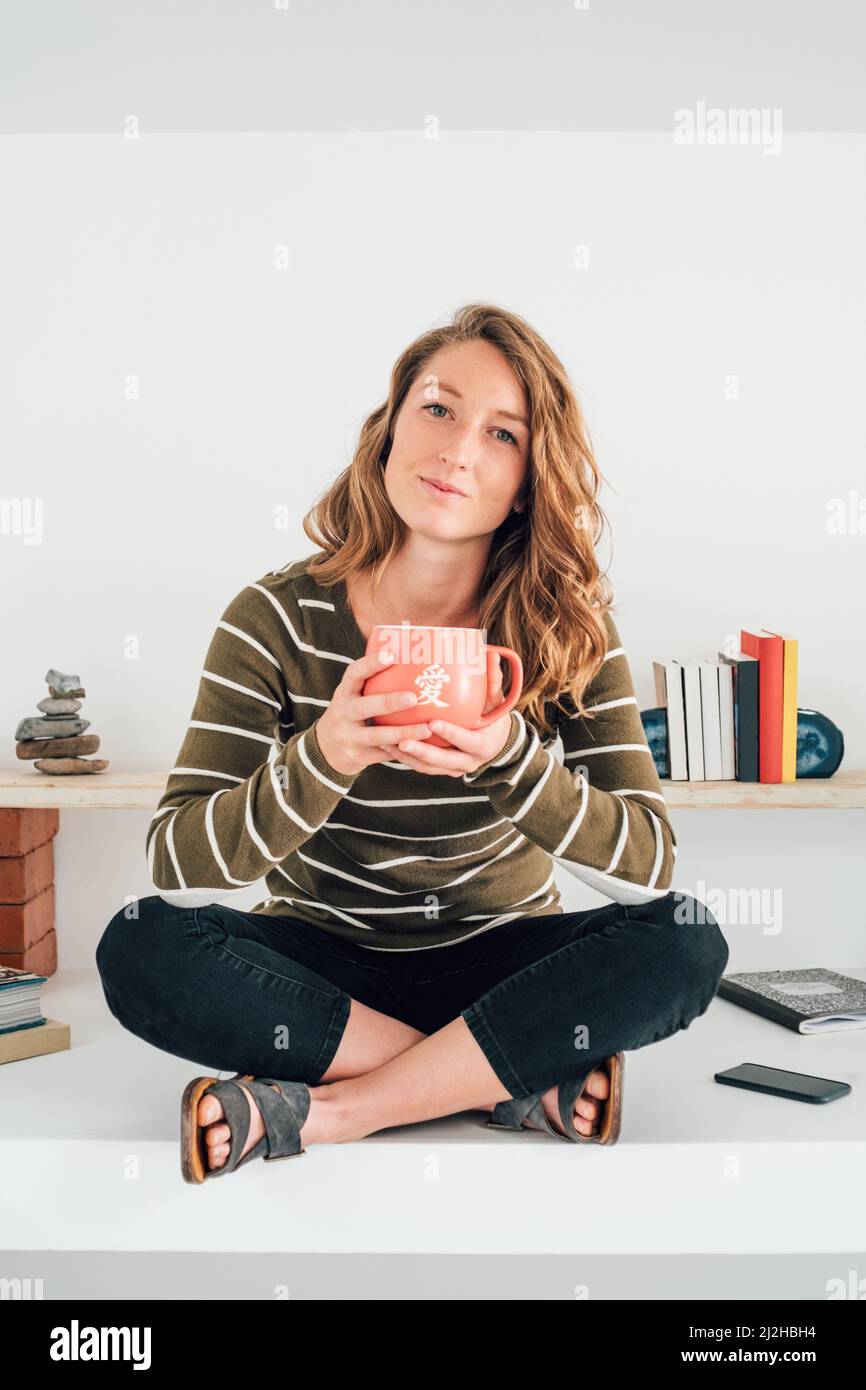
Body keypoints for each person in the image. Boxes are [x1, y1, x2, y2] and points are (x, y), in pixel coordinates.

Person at [95, 302, 728, 1180]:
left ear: (528, 479)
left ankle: (339, 1109)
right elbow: (181, 868)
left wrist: (508, 761)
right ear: (389, 427)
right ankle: (494, 1081)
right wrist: (328, 754)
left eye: (502, 434)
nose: (458, 449)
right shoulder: (272, 618)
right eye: (438, 408)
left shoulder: (563, 630)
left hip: (500, 960)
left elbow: (649, 865)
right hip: (323, 968)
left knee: (686, 935)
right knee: (139, 942)